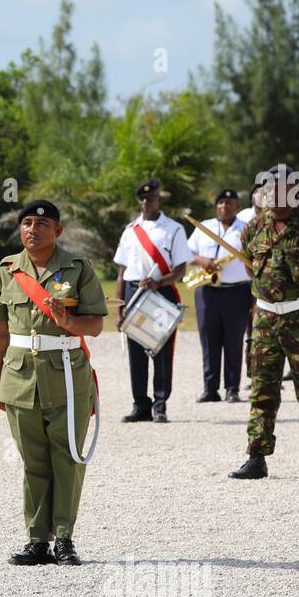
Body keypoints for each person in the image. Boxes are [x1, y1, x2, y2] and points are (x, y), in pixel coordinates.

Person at [0, 199, 106, 566]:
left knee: (67, 457)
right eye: (26, 223)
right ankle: (37, 539)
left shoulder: (78, 268)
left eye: (42, 224)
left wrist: (68, 321)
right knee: (33, 461)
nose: (32, 230)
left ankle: (64, 538)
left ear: (58, 231)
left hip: (68, 376)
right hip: (20, 378)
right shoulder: (7, 270)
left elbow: (96, 326)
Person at [229, 165, 299, 481]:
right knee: (262, 389)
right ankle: (256, 458)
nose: (274, 197)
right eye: (270, 191)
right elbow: (252, 269)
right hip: (265, 320)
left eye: (282, 191)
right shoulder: (253, 228)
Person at [112, 178, 190, 422]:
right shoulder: (129, 230)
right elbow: (122, 273)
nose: (146, 202)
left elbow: (180, 270)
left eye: (151, 198)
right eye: (143, 198)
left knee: (161, 350)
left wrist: (159, 282)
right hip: (133, 292)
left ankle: (160, 405)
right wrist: (118, 309)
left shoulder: (174, 229)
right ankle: (140, 405)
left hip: (160, 291)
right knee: (136, 352)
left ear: (159, 199)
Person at [188, 189, 250, 403]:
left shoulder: (246, 229)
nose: (225, 206)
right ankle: (210, 388)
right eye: (221, 203)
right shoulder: (204, 227)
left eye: (230, 202)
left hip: (237, 291)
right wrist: (203, 261)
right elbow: (188, 252)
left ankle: (232, 388)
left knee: (233, 340)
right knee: (209, 339)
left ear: (237, 207)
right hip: (207, 290)